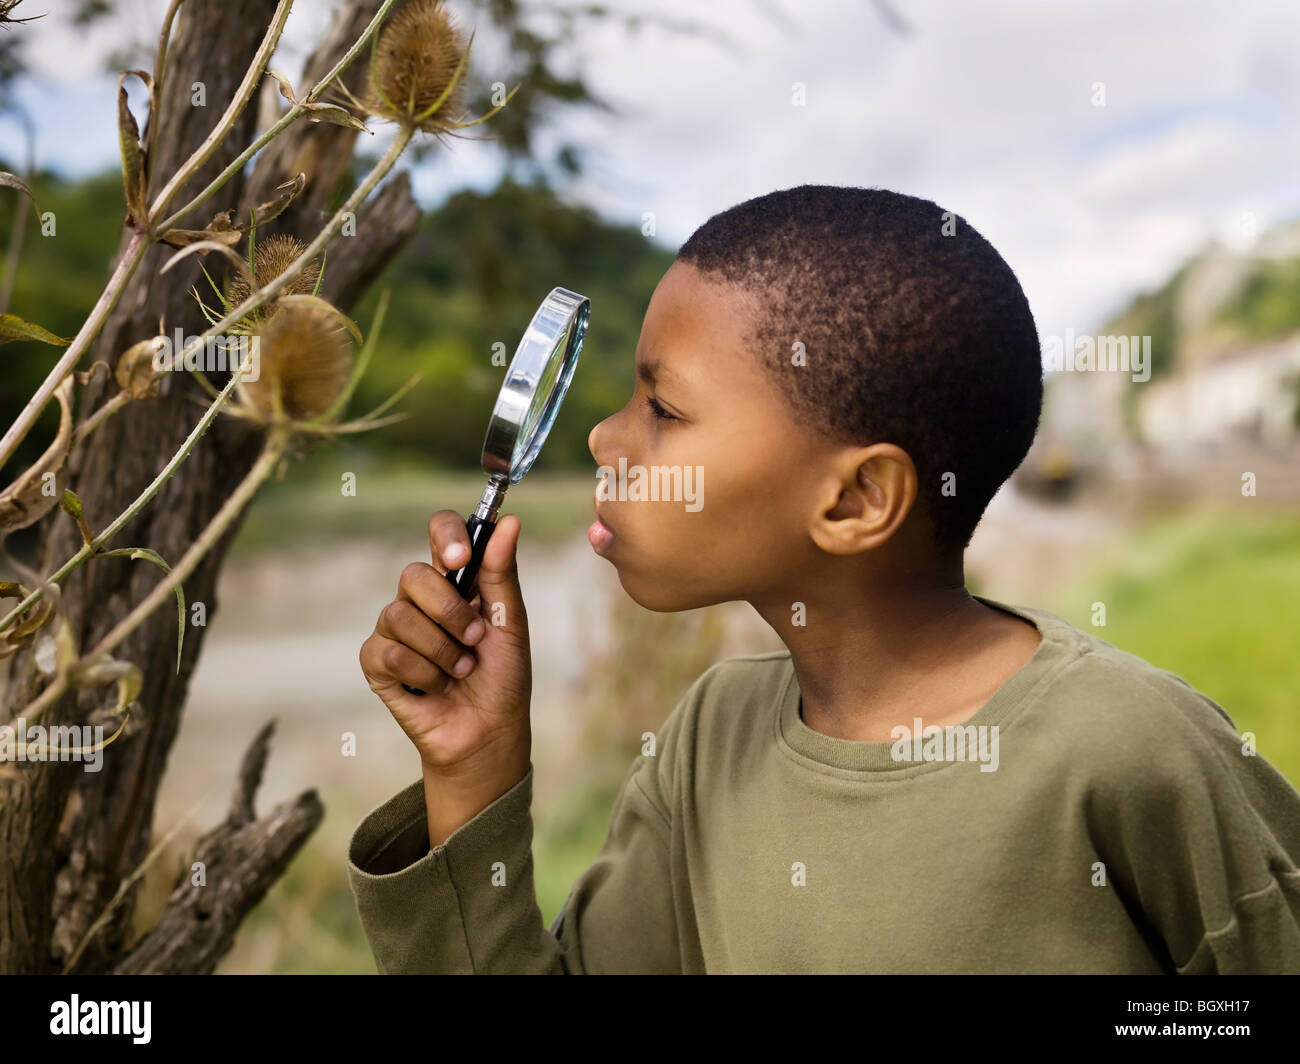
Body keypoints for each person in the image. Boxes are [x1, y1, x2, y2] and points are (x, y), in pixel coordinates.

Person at [350, 185, 1300, 974]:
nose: (605, 438)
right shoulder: (706, 741)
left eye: (665, 409)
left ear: (855, 501)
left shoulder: (1128, 748)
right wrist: (471, 772)